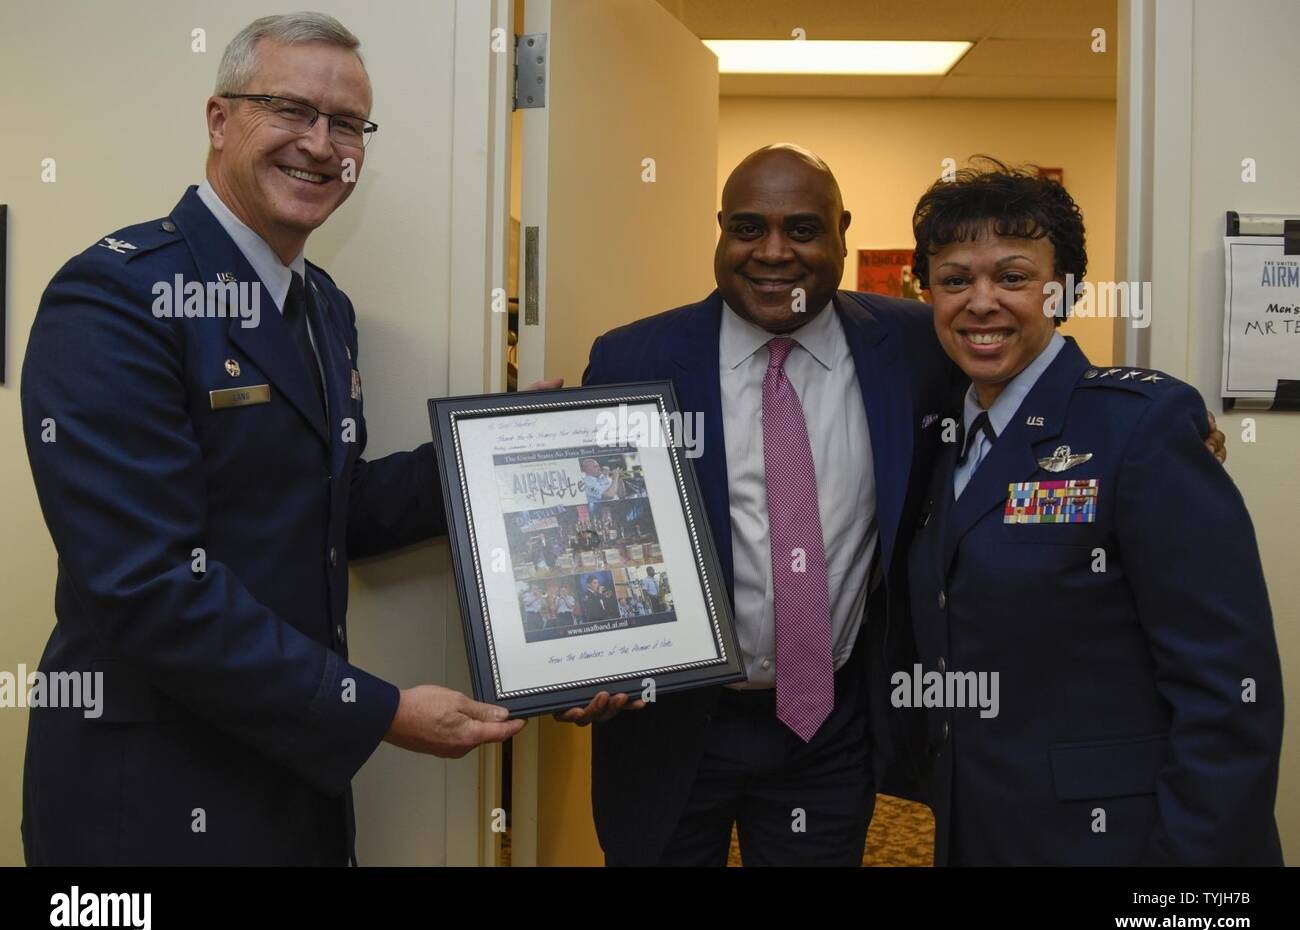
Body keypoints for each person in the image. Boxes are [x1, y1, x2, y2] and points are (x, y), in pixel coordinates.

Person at [18, 13, 536, 866]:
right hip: (149, 797)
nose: (322, 145)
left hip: (294, 787)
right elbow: (145, 585)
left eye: (347, 125)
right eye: (290, 110)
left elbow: (328, 510)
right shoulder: (116, 296)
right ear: (219, 121)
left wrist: (492, 450)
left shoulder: (322, 306)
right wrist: (381, 712)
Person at [568, 145, 964, 866]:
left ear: (843, 229)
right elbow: (593, 533)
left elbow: (1022, 378)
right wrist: (579, 659)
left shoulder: (911, 344)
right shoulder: (634, 357)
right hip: (673, 727)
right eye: (748, 228)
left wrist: (1157, 418)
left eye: (803, 229)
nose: (773, 252)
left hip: (829, 729)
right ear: (720, 229)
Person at [905, 161, 1283, 865]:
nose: (980, 302)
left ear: (1063, 290)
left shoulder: (1140, 428)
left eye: (1013, 278)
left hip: (1122, 840)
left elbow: (1227, 691)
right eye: (955, 280)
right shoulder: (934, 437)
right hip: (979, 824)